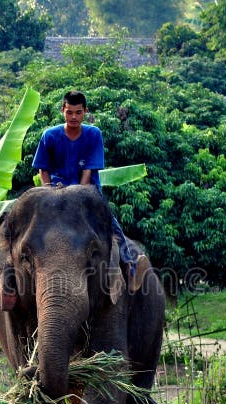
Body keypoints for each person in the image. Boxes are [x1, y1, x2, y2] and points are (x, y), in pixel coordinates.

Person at [32, 90, 149, 291]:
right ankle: (6, 274)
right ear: (62, 111)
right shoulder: (49, 136)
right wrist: (48, 192)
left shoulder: (94, 134)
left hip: (87, 192)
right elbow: (44, 169)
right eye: (69, 112)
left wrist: (80, 195)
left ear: (85, 112)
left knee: (112, 226)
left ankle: (130, 268)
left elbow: (88, 172)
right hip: (55, 191)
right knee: (26, 223)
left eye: (78, 112)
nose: (74, 117)